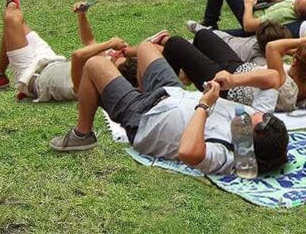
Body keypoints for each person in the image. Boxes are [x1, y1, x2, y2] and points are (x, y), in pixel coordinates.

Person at [49, 38, 290, 178]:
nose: (248, 114)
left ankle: (82, 134)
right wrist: (234, 80)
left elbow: (188, 152)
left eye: (249, 121)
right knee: (146, 48)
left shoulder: (228, 155)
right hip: (172, 92)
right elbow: (273, 79)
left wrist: (204, 106)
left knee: (94, 64)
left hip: (145, 118)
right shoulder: (260, 122)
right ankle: (125, 79)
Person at [0, 0, 132, 102]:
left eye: (116, 58)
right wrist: (82, 15)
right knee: (15, 25)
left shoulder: (90, 86)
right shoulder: (104, 65)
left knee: (12, 18)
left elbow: (78, 55)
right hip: (50, 59)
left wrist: (111, 43)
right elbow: (89, 43)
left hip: (31, 75)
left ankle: (11, 2)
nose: (114, 54)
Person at [160, 26, 289, 112]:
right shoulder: (292, 73)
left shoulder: (290, 86)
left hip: (229, 88)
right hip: (240, 69)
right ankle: (187, 76)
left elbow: (272, 48)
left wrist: (299, 42)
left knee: (174, 44)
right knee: (203, 35)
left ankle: (159, 99)